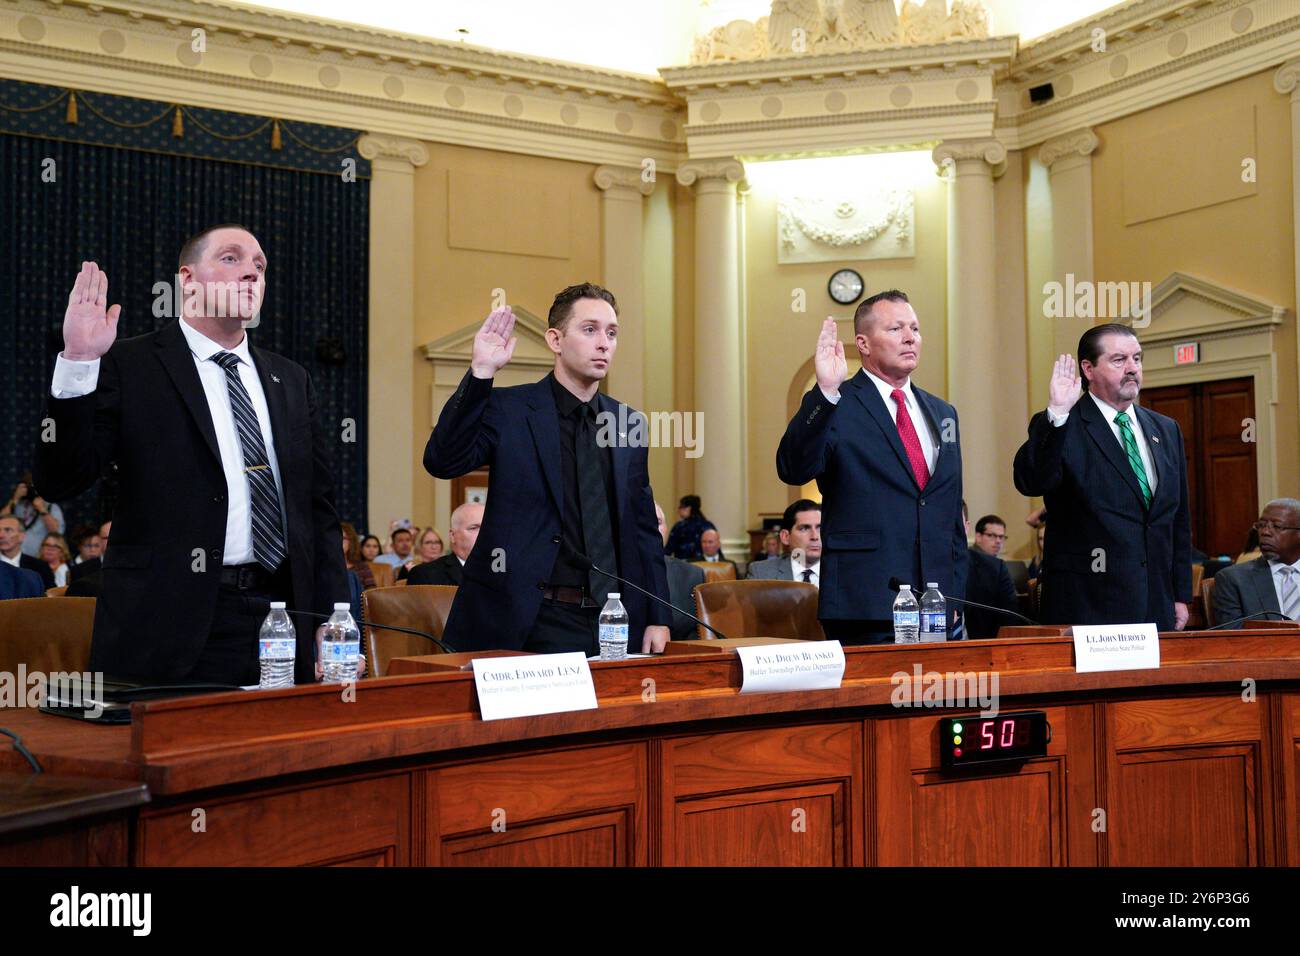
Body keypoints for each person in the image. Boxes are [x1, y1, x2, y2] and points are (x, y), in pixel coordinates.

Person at [33, 227, 352, 684]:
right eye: (230, 258)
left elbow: (316, 511)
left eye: (259, 266)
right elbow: (60, 480)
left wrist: (331, 618)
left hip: (280, 617)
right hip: (167, 620)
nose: (250, 272)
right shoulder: (129, 364)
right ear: (187, 278)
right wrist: (80, 361)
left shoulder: (290, 379)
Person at [423, 284, 671, 655]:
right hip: (527, 617)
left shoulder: (627, 422)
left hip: (612, 619)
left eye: (612, 332)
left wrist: (658, 613)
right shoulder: (510, 409)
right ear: (555, 340)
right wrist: (481, 372)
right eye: (590, 330)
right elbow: (443, 460)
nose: (604, 343)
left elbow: (641, 528)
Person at [777, 291, 968, 644]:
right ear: (863, 343)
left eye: (915, 328)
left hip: (936, 606)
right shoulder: (836, 403)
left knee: (938, 701)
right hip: (864, 602)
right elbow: (792, 467)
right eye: (896, 328)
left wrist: (954, 593)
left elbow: (948, 510)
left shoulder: (943, 413)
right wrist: (824, 392)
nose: (910, 337)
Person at [1013, 324, 1192, 631]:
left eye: (1137, 358)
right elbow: (1032, 480)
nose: (1133, 368)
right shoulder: (1063, 424)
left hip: (1156, 603)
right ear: (1088, 368)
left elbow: (1178, 520)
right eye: (1119, 360)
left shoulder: (1165, 429)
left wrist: (1179, 594)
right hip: (1088, 606)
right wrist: (1057, 412)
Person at [1213, 499, 1300, 624]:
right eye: (1261, 525)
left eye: (1276, 526)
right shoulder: (1233, 579)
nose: (1265, 532)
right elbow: (1233, 636)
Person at [960, 502, 1018, 638]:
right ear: (978, 536)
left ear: (966, 527)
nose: (998, 541)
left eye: (1001, 537)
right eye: (992, 536)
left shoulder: (996, 568)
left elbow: (1010, 617)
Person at [655, 501, 706, 641]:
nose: (652, 528)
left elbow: (696, 631)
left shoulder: (691, 575)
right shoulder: (610, 572)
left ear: (667, 529)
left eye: (658, 522)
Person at [747, 499, 822, 586]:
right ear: (785, 537)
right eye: (804, 528)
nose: (815, 537)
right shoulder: (760, 573)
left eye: (819, 528)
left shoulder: (840, 572)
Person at [408, 503, 484, 586]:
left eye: (488, 527)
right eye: (474, 528)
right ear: (453, 535)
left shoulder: (499, 569)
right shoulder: (425, 575)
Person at [1, 475, 65, 558]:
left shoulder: (51, 506)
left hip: (39, 557)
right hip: (13, 556)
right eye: (28, 487)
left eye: (34, 487)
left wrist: (42, 509)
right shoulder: (17, 504)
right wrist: (15, 499)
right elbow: (1, 520)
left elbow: (57, 532)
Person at [0, 514, 55, 590]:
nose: (1, 535)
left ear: (22, 536)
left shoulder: (39, 567)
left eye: (8, 530)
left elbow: (50, 597)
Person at [664, 495, 715, 561]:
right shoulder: (708, 525)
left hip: (684, 566)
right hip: (704, 565)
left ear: (689, 508)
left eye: (681, 506)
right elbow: (716, 548)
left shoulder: (680, 527)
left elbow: (669, 550)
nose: (678, 509)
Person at [341, 522, 376, 590]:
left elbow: (371, 592)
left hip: (358, 600)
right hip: (335, 600)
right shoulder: (327, 567)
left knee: (350, 576)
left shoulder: (362, 567)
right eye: (337, 538)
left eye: (344, 538)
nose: (339, 541)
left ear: (351, 542)